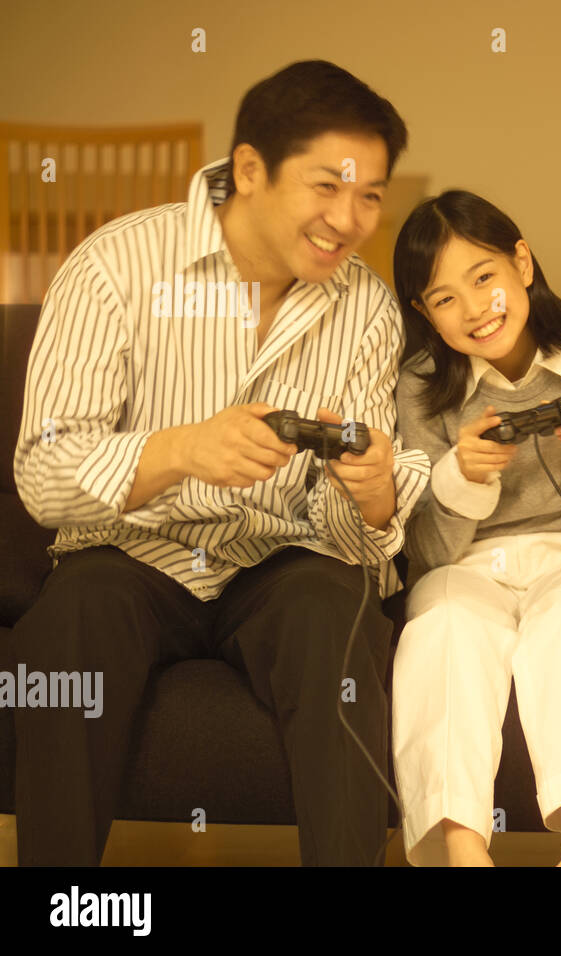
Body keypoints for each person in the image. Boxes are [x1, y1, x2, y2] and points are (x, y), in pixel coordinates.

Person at [7, 60, 431, 865]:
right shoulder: (116, 268)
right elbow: (43, 477)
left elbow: (351, 532)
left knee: (334, 614)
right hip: (129, 552)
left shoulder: (366, 308)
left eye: (370, 194)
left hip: (281, 558)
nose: (349, 219)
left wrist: (372, 496)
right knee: (72, 620)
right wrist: (178, 451)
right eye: (327, 186)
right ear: (249, 170)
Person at [390, 190, 561, 866]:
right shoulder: (418, 386)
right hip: (467, 564)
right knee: (443, 630)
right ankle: (465, 854)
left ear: (522, 264)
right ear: (424, 313)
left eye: (485, 278)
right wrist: (459, 477)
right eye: (444, 298)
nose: (475, 309)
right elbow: (422, 553)